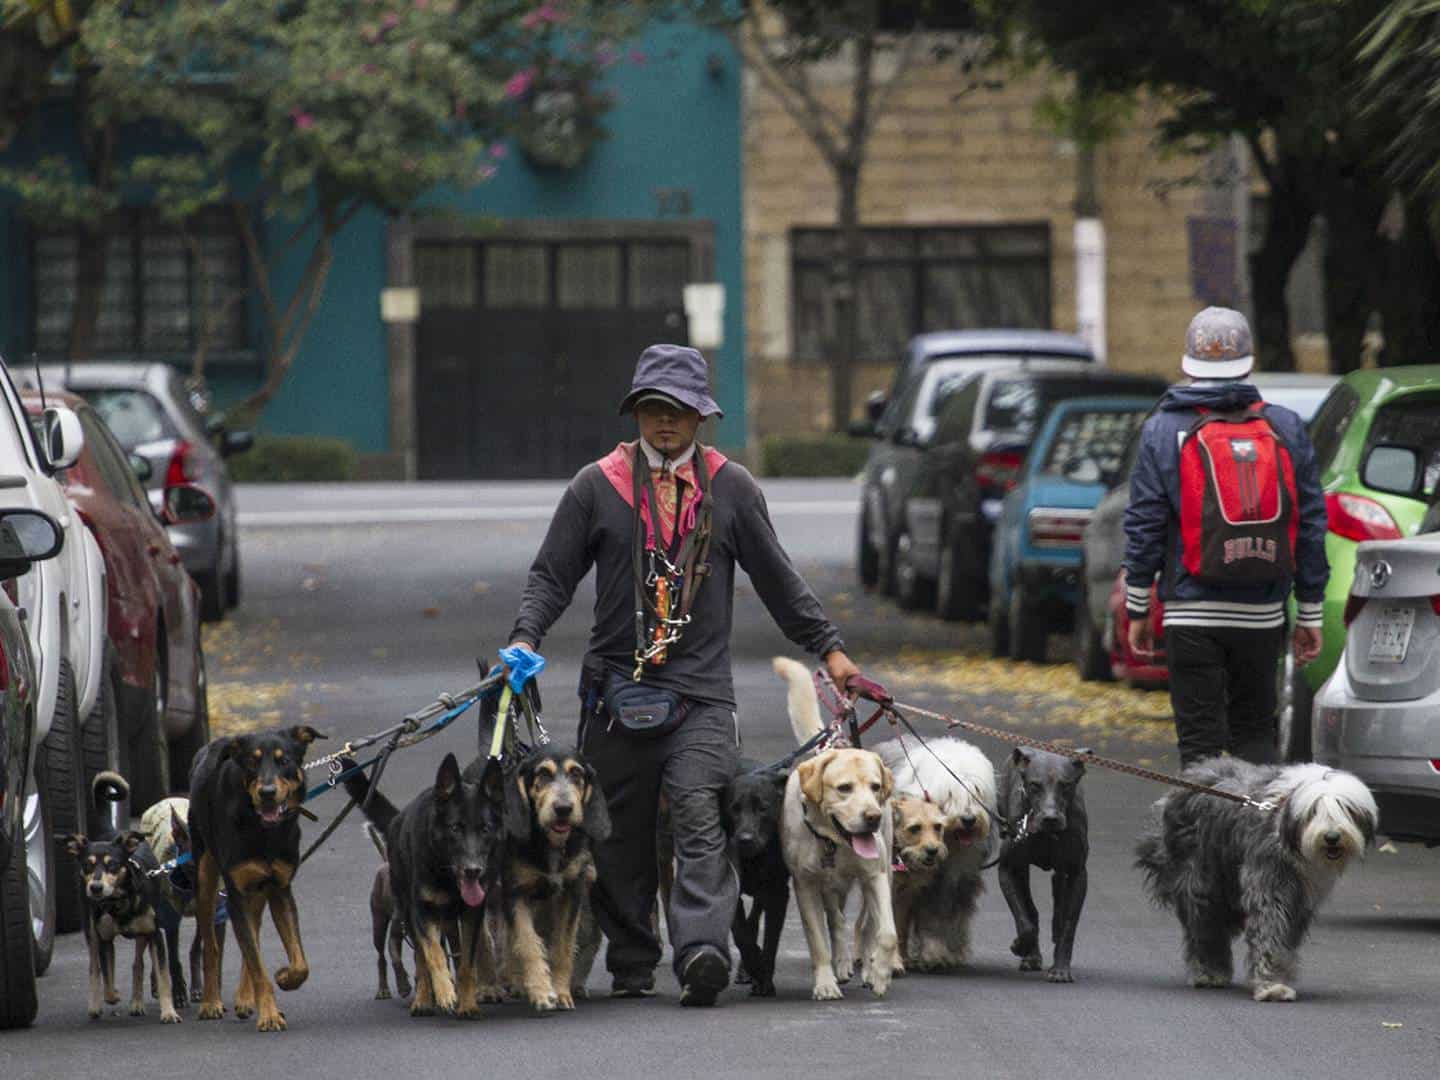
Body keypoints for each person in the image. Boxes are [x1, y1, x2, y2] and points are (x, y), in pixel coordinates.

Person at [506, 343, 868, 1006]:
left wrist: (831, 649)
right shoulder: (597, 485)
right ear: (636, 413)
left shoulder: (732, 489)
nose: (663, 423)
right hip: (616, 690)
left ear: (702, 417)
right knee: (613, 832)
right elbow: (551, 575)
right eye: (651, 409)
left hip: (701, 695)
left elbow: (779, 581)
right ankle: (633, 959)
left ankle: (702, 950)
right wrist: (525, 638)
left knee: (701, 815)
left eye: (677, 411)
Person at [1122, 307, 1327, 767]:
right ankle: (1252, 835)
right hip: (1261, 613)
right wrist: (1309, 613)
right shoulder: (1286, 427)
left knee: (1199, 747)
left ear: (1187, 365)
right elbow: (1311, 522)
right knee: (1256, 735)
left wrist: (1138, 606)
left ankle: (1199, 838)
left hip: (1189, 613)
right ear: (1248, 365)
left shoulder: (1162, 429)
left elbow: (1144, 523)